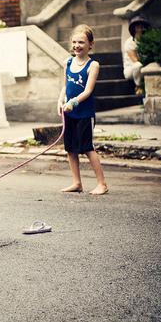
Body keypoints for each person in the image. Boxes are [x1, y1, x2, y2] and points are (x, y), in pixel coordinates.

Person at [57, 24, 108, 195]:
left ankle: (102, 183)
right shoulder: (68, 62)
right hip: (69, 112)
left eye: (81, 42)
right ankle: (76, 182)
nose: (77, 45)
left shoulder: (93, 65)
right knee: (70, 148)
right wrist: (60, 101)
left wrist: (73, 103)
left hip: (84, 113)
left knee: (87, 147)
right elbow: (65, 86)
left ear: (90, 45)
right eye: (74, 42)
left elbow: (88, 91)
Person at [122, 15, 150, 96]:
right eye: (138, 27)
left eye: (142, 27)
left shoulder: (145, 40)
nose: (140, 29)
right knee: (138, 65)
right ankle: (138, 86)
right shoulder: (129, 42)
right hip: (131, 70)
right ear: (134, 29)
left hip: (143, 68)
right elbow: (135, 60)